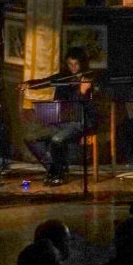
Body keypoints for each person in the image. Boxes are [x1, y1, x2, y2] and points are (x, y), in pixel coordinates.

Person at [24, 47, 96, 184]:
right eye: (70, 64)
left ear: (82, 64)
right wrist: (28, 84)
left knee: (57, 139)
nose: (73, 68)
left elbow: (79, 107)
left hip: (79, 122)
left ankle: (58, 174)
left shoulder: (88, 80)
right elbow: (45, 81)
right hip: (61, 121)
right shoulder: (63, 77)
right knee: (30, 137)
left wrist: (81, 91)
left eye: (76, 64)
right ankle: (54, 169)